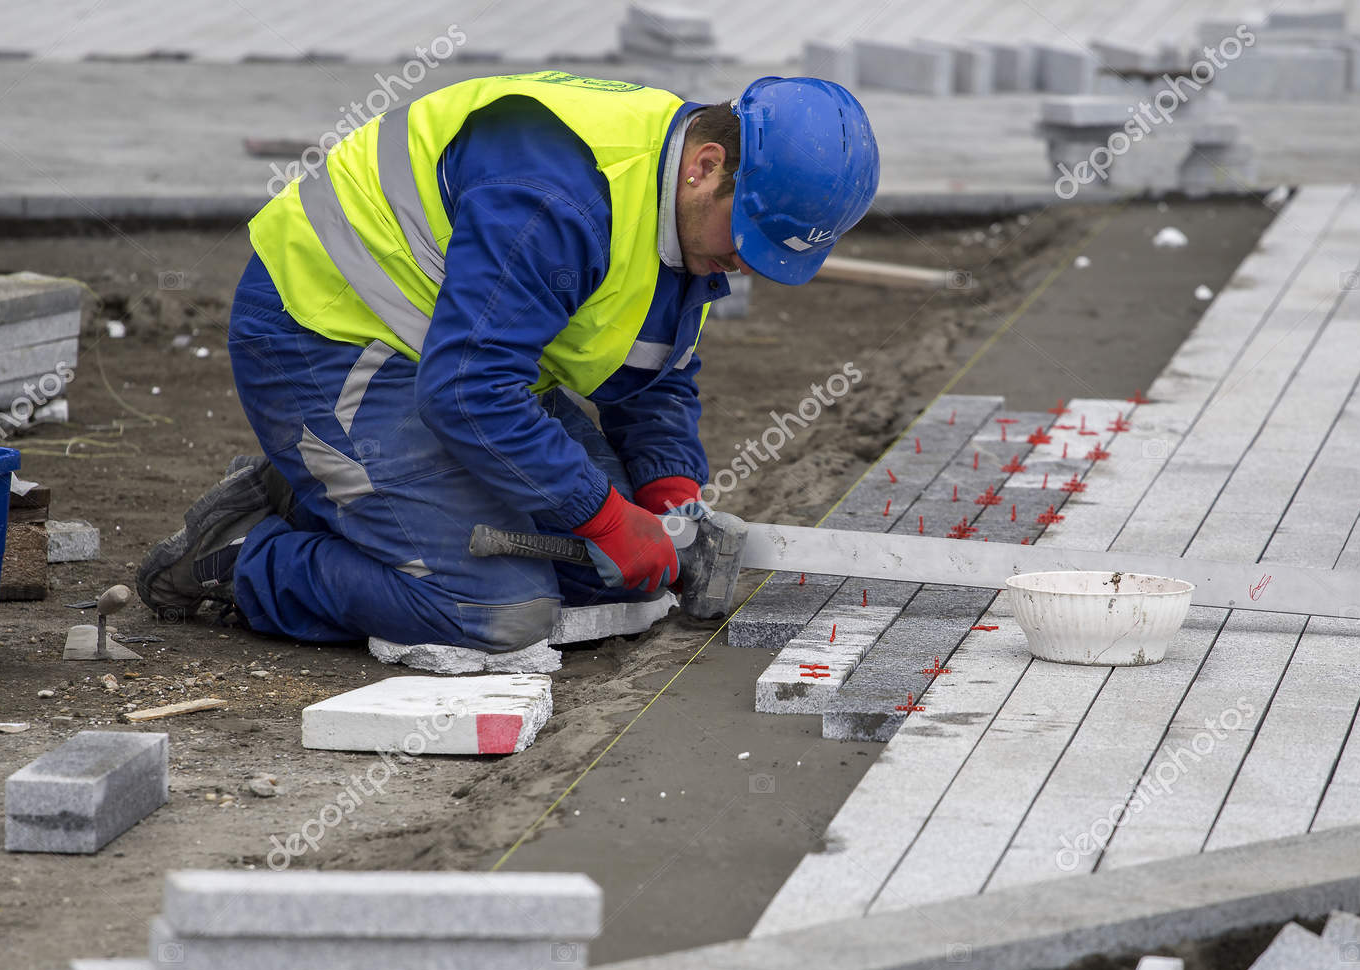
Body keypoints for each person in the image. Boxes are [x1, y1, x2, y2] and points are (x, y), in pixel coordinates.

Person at [138, 70, 879, 651]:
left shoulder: (683, 217)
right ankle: (246, 559)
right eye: (746, 235)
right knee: (498, 610)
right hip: (326, 335)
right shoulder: (558, 195)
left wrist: (666, 494)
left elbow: (654, 370)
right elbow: (468, 393)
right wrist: (601, 513)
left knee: (611, 576)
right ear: (706, 166)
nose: (745, 265)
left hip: (461, 358)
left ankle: (329, 492)